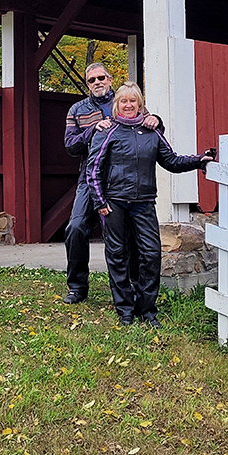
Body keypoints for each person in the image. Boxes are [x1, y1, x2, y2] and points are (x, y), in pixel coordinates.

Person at [86, 81, 215, 328]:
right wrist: (100, 202)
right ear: (116, 105)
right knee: (117, 255)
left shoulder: (152, 132)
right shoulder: (106, 131)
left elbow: (173, 161)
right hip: (114, 204)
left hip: (143, 204)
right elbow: (93, 170)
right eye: (123, 101)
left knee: (151, 254)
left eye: (132, 101)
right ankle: (125, 310)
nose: (128, 105)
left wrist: (199, 160)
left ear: (140, 105)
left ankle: (146, 310)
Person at [63, 63, 160, 304]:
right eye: (91, 80)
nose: (97, 82)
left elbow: (148, 127)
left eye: (101, 78)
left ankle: (134, 288)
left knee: (130, 235)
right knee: (75, 228)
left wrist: (156, 119)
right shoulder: (77, 110)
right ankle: (77, 286)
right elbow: (70, 146)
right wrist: (92, 130)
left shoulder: (124, 100)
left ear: (109, 78)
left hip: (122, 181)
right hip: (90, 178)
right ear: (87, 84)